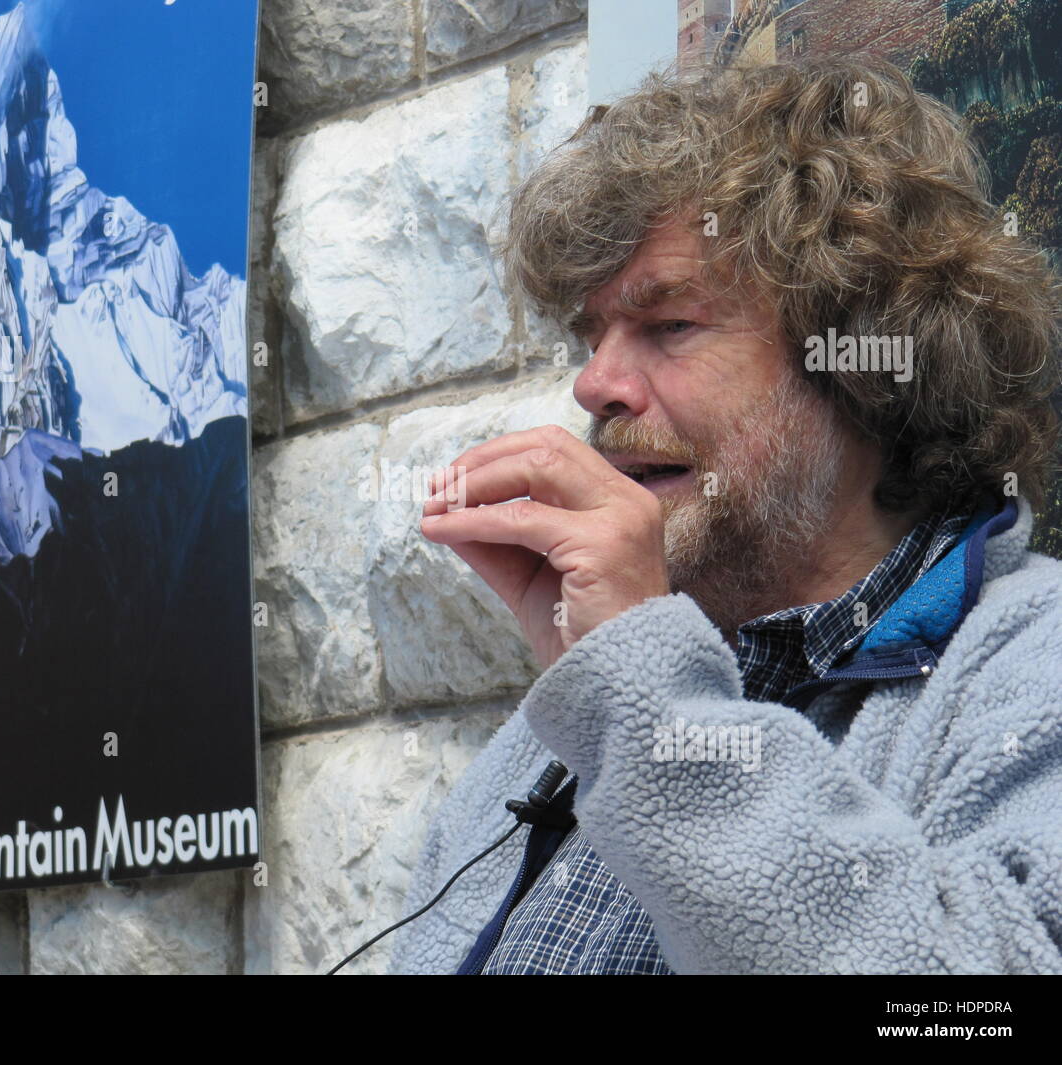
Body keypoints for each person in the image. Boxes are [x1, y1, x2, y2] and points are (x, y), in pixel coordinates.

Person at [390, 54, 1062, 974]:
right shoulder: (563, 726)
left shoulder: (1031, 667)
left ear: (862, 358)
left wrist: (647, 697)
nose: (596, 384)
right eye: (593, 336)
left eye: (671, 325)